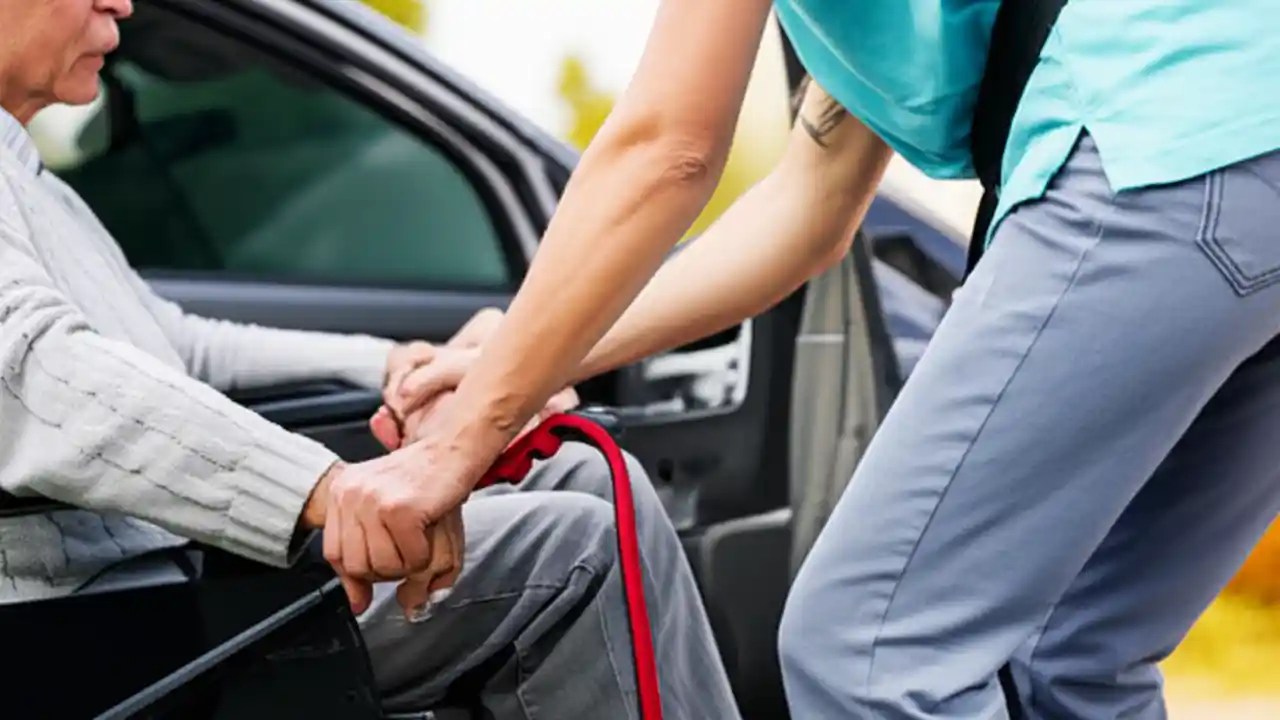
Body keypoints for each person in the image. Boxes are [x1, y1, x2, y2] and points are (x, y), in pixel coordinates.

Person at [377, 0, 1280, 718]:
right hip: (1236, 143)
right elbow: (811, 199)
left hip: (1175, 144)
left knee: (874, 650)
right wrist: (522, 367)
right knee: (1075, 653)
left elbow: (665, 148)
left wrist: (459, 444)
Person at [0, 1, 740, 718]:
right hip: (101, 626)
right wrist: (321, 488)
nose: (119, 4)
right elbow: (37, 379)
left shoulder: (32, 182)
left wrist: (394, 365)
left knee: (579, 472)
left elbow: (182, 342)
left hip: (171, 572)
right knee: (578, 548)